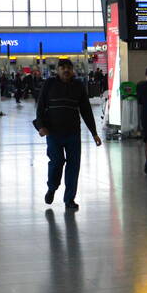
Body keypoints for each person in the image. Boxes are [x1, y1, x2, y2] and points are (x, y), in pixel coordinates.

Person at [34, 58, 101, 211]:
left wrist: (94, 133)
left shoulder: (78, 86)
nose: (66, 71)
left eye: (68, 68)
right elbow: (40, 107)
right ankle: (52, 187)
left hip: (73, 134)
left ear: (72, 70)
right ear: (57, 70)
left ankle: (69, 199)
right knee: (57, 162)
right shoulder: (49, 84)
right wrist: (41, 126)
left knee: (73, 166)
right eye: (62, 68)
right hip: (53, 133)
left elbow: (86, 111)